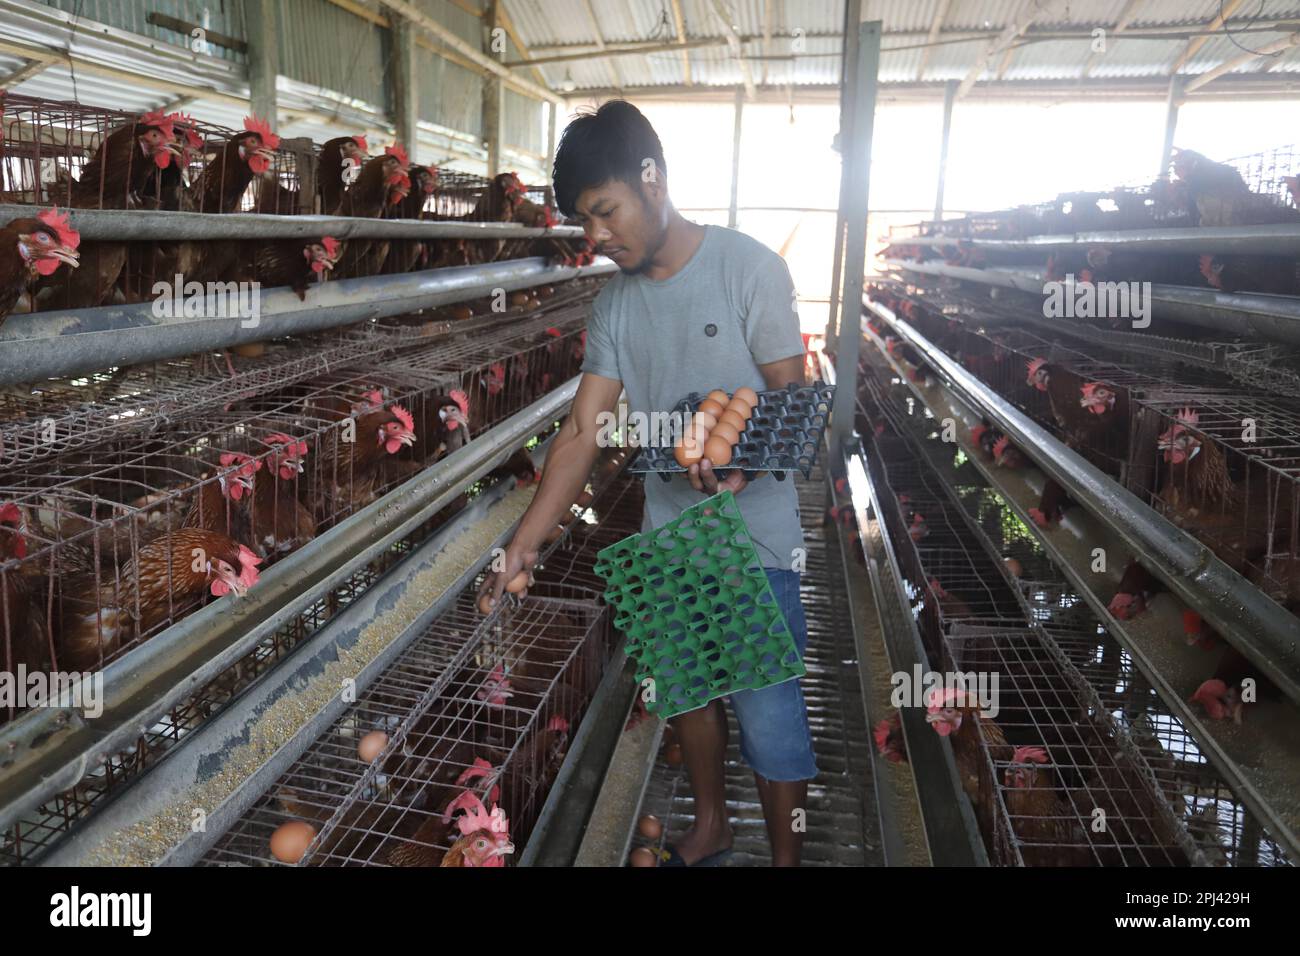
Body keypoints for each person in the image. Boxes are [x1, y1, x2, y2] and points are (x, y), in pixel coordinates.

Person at [479, 100, 817, 867]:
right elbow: (580, 434)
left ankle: (787, 857)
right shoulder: (615, 306)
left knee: (768, 706)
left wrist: (741, 462)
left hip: (757, 540)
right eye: (583, 222)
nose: (595, 237)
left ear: (653, 178)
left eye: (604, 212)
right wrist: (521, 547)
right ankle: (710, 824)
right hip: (668, 534)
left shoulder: (750, 268)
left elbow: (792, 401)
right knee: (688, 690)